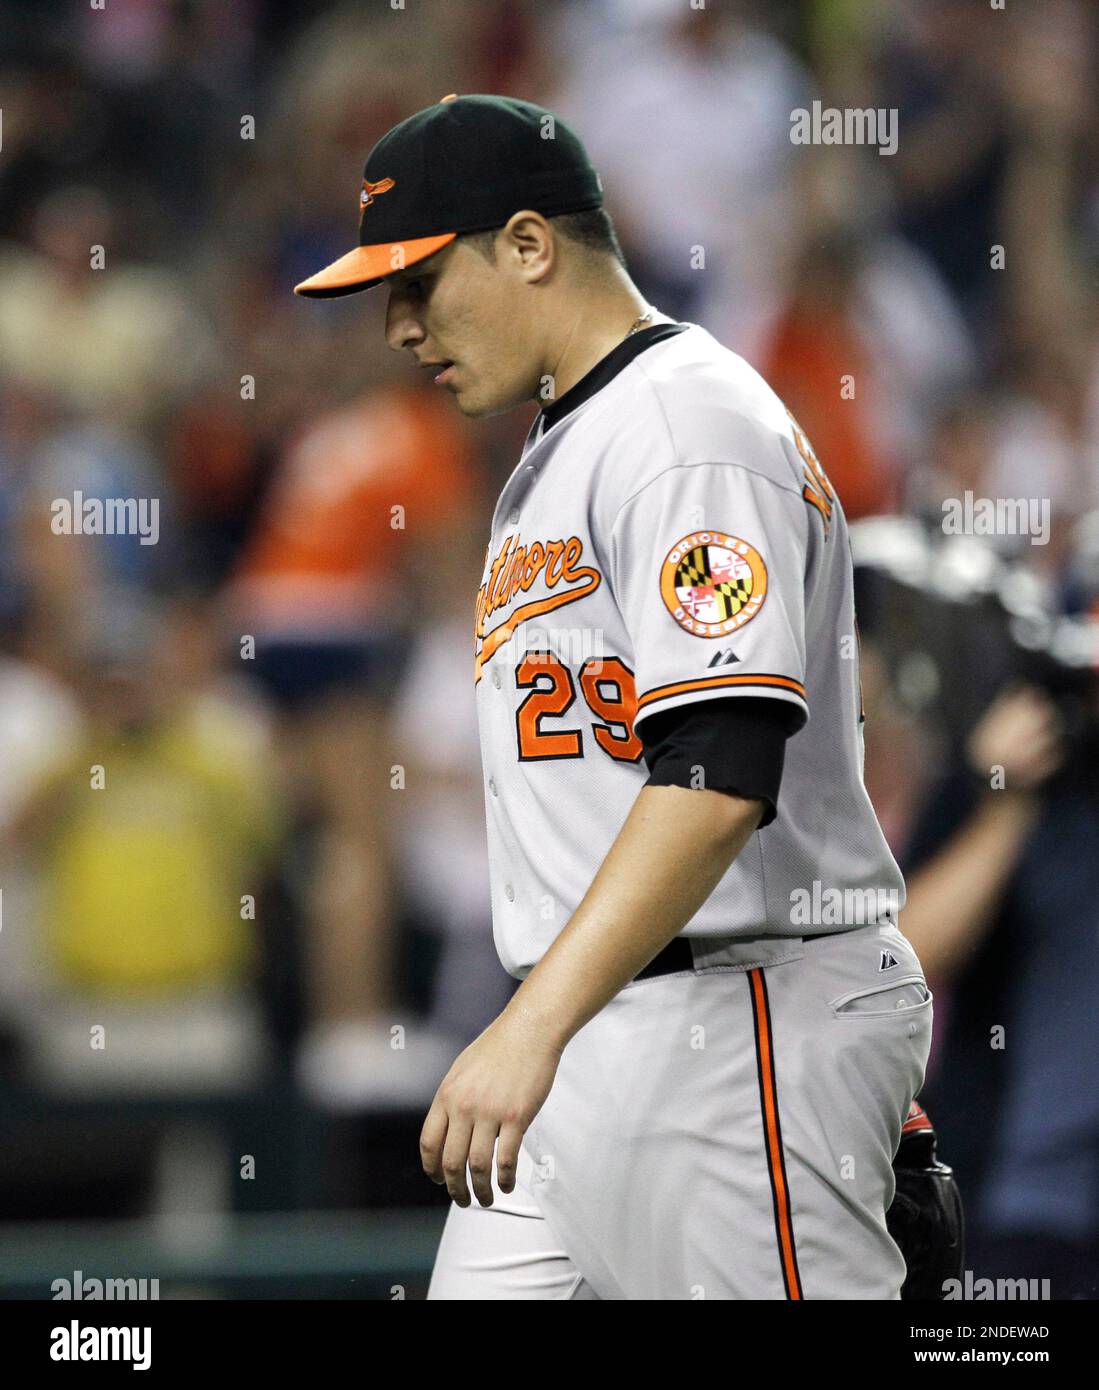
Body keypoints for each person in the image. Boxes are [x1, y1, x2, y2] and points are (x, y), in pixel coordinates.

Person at [294, 94, 932, 1300]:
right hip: (592, 1020)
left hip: (738, 1017)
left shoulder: (683, 424)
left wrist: (527, 1029)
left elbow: (717, 774)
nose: (395, 327)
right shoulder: (563, 446)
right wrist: (544, 1023)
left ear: (528, 244)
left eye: (417, 283)